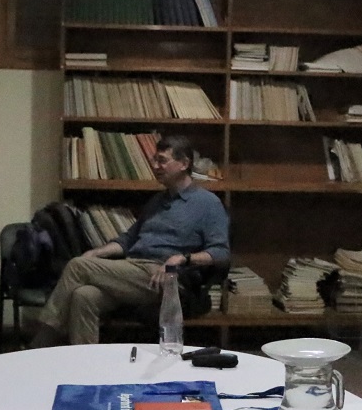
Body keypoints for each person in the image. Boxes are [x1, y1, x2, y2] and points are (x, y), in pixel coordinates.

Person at [31, 134, 228, 347]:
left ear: (184, 164)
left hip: (164, 277)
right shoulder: (157, 201)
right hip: (133, 269)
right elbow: (129, 239)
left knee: (77, 266)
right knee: (83, 295)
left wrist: (182, 259)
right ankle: (85, 364)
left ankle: (39, 344)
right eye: (154, 160)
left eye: (162, 160)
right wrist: (98, 253)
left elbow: (220, 252)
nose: (155, 166)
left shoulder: (208, 204)